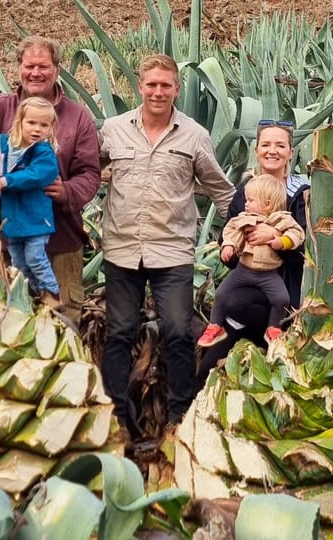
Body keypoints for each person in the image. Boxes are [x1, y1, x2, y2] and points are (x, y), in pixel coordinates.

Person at [99, 54, 235, 432]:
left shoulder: (193, 135)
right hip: (122, 249)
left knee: (178, 333)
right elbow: (86, 170)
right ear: (139, 87)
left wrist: (245, 228)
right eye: (151, 84)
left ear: (176, 88)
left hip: (172, 251)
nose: (158, 92)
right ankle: (119, 419)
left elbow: (220, 190)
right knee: (119, 334)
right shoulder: (113, 129)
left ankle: (179, 418)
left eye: (166, 85)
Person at [0, 36, 100, 323]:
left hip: (60, 242)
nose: (35, 72)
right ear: (18, 69)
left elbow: (90, 173)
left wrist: (66, 191)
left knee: (63, 325)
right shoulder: (0, 108)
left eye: (43, 66)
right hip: (8, 242)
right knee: (8, 325)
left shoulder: (78, 117)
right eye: (29, 65)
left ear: (57, 70)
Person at [197, 120, 309, 379]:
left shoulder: (301, 195)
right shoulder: (243, 195)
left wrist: (275, 239)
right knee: (208, 369)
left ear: (291, 152)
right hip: (245, 289)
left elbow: (304, 251)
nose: (272, 151)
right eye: (266, 144)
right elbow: (230, 240)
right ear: (256, 150)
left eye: (280, 145)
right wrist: (234, 248)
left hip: (284, 295)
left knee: (272, 377)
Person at [198, 174, 305, 347]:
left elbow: (297, 233)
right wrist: (229, 246)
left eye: (251, 200)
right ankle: (215, 326)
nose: (246, 204)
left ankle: (273, 328)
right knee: (221, 294)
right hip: (243, 270)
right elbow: (231, 231)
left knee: (282, 299)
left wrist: (280, 240)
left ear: (268, 203)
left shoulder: (282, 219)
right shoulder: (243, 218)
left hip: (269, 274)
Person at [0, 97, 62, 310]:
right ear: (19, 121)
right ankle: (34, 293)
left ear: (50, 128)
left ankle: (52, 294)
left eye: (44, 125)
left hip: (35, 218)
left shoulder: (44, 153)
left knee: (35, 257)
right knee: (18, 263)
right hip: (11, 219)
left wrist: (6, 181)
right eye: (31, 123)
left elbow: (36, 175)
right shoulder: (3, 147)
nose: (37, 129)